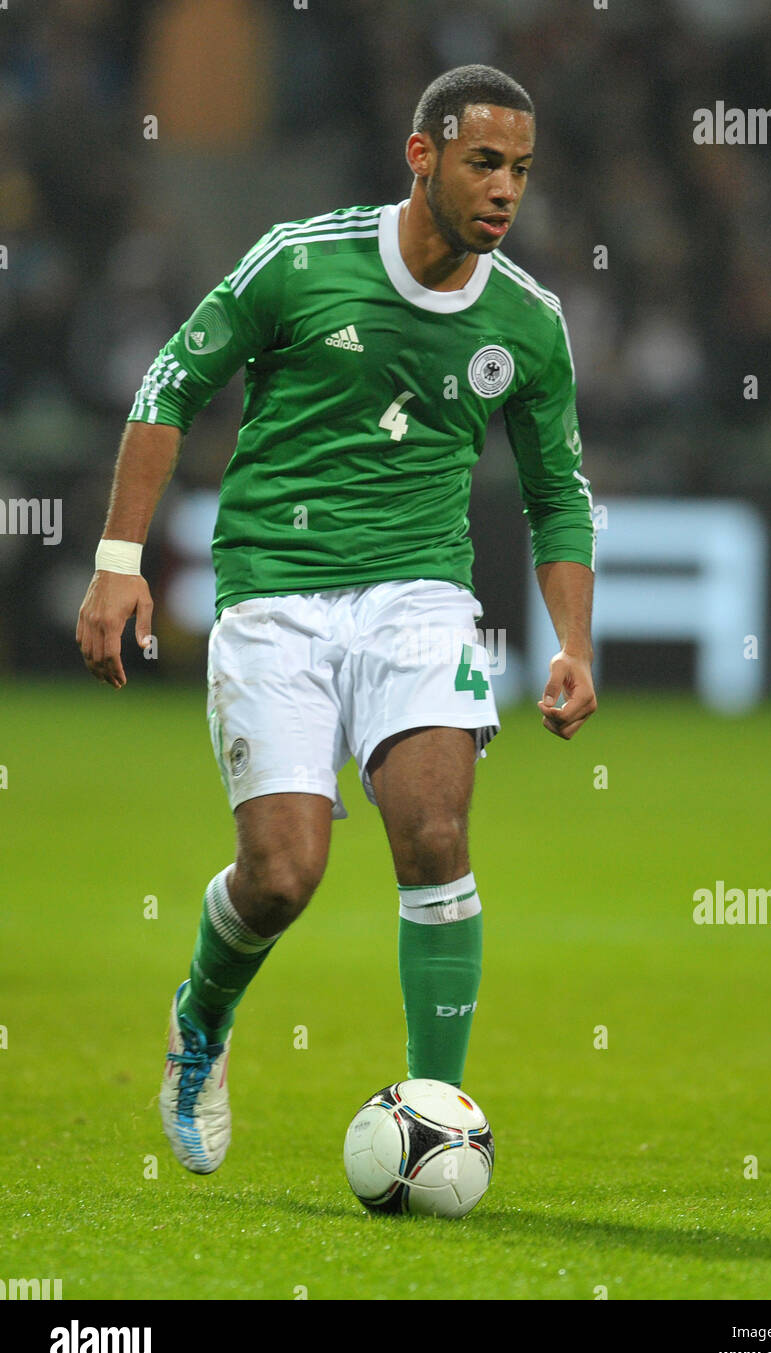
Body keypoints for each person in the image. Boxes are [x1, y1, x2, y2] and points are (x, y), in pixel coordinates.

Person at [76, 64, 597, 1175]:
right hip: (274, 588)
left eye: (520, 170)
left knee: (437, 836)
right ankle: (200, 1021)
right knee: (281, 875)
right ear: (423, 156)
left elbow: (559, 496)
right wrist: (120, 560)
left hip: (417, 595)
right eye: (484, 163)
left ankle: (440, 1115)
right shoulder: (298, 262)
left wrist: (573, 643)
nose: (505, 190)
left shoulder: (528, 324)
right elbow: (167, 386)